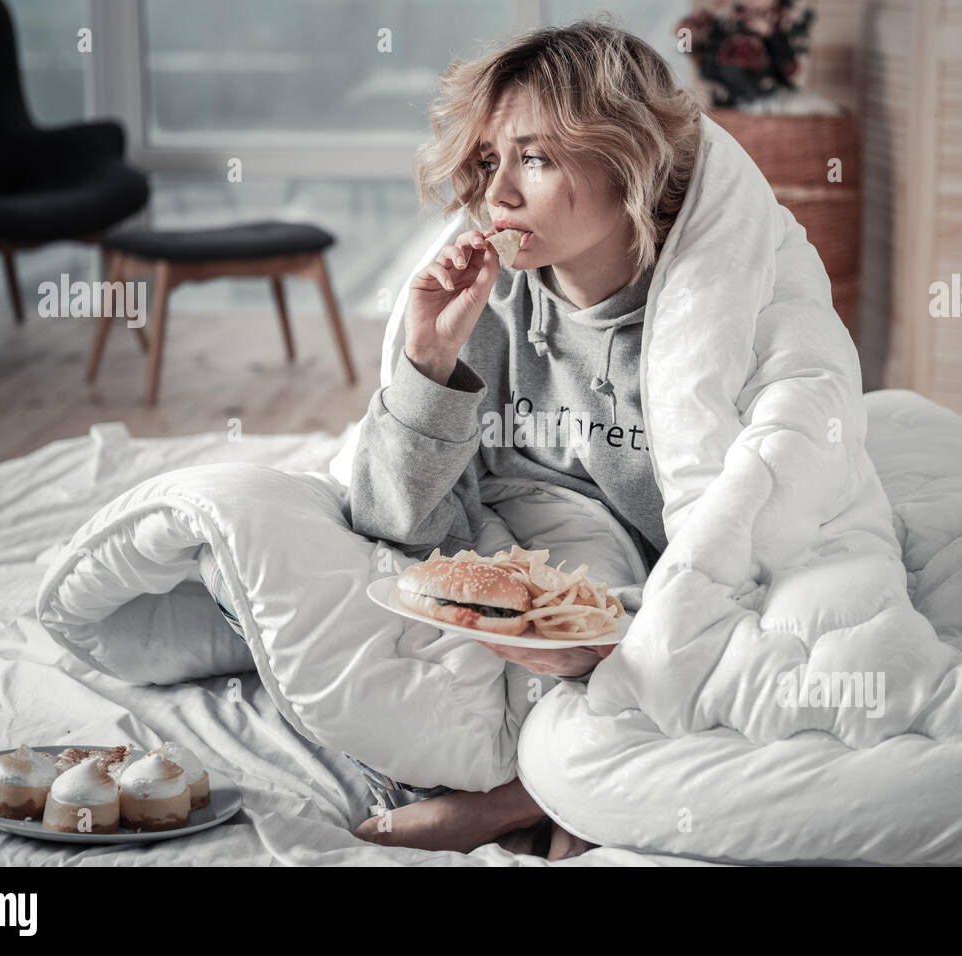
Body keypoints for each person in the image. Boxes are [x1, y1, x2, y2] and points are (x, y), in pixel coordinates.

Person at [345, 17, 703, 860]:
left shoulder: (699, 324)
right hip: (504, 542)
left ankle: (520, 800)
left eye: (535, 159)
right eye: (487, 162)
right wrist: (429, 356)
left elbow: (717, 538)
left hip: (626, 574)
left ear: (628, 163)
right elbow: (392, 515)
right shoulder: (490, 300)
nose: (498, 196)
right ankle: (552, 797)